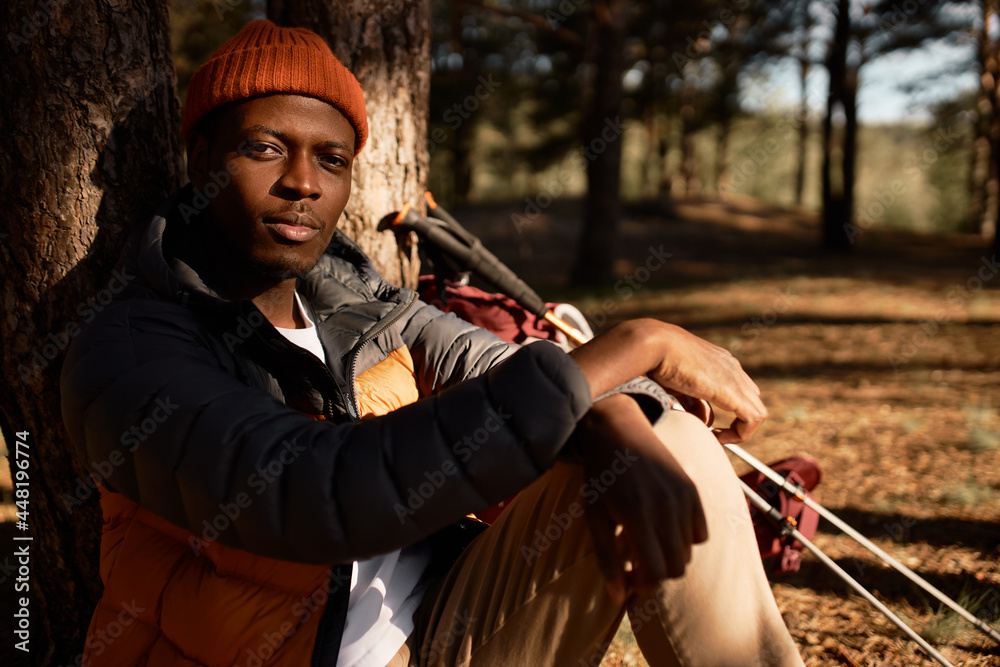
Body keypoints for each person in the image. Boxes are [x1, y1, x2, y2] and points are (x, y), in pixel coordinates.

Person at [60, 19, 804, 667]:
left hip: (450, 627)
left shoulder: (363, 307)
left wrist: (610, 416)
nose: (302, 183)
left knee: (672, 438)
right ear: (201, 162)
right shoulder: (128, 349)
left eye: (331, 158)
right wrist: (639, 342)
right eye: (263, 148)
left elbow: (515, 372)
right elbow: (318, 492)